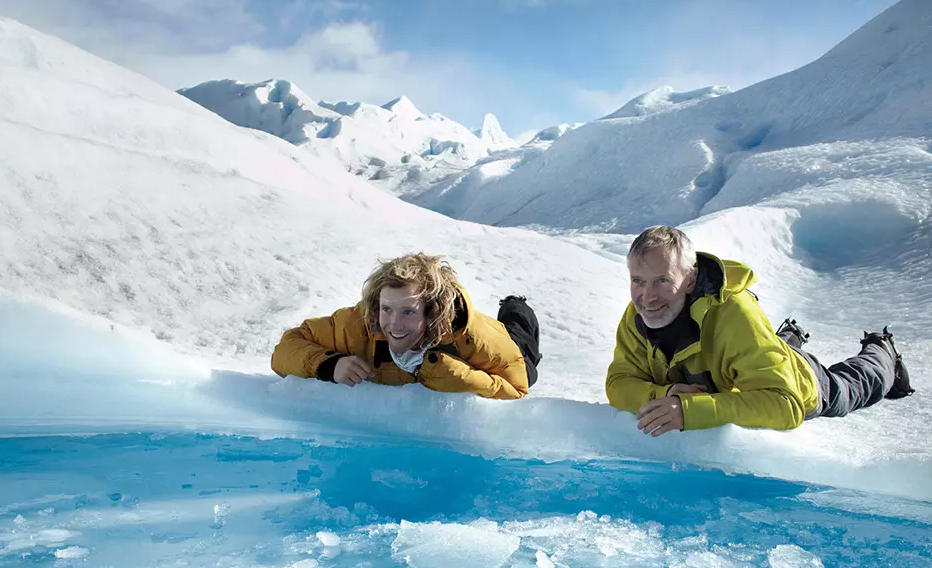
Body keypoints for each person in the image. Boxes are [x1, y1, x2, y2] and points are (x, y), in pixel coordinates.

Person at [605, 226, 914, 435]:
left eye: (662, 280)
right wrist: (666, 394)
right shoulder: (638, 316)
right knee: (763, 351)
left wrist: (689, 411)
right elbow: (618, 383)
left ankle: (882, 353)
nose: (648, 296)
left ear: (689, 279)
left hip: (801, 383)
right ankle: (786, 339)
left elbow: (785, 404)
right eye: (638, 281)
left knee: (851, 388)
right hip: (752, 360)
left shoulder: (734, 314)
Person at [272, 253, 541, 399]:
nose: (394, 324)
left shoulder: (470, 336)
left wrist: (454, 375)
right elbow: (285, 349)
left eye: (408, 312)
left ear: (432, 311)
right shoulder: (359, 323)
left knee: (521, 341)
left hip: (507, 350)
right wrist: (329, 365)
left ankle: (516, 306)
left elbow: (517, 387)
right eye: (386, 308)